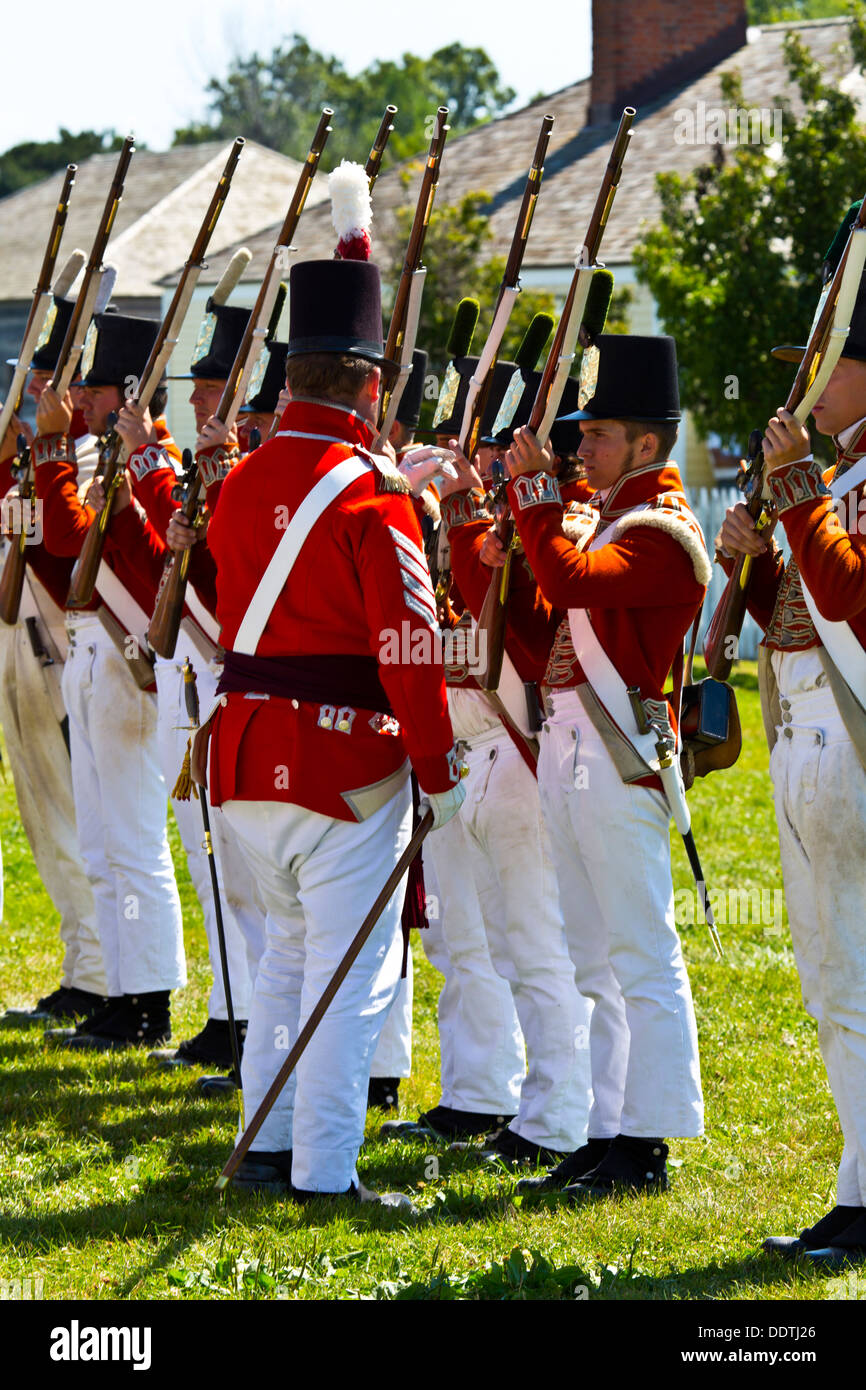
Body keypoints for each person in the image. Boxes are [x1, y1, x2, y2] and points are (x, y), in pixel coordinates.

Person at [204, 256, 464, 1203]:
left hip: (243, 758)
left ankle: (265, 1144)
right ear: (372, 382)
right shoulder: (374, 493)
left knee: (283, 961)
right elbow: (407, 645)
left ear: (289, 374)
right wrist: (438, 771)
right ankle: (322, 1172)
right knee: (351, 979)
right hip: (343, 767)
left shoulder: (239, 482)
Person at [445, 334, 709, 1197]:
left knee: (639, 952)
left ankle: (650, 1139)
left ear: (646, 443)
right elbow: (531, 636)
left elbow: (573, 582)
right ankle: (605, 1127)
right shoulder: (605, 516)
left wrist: (529, 503)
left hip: (617, 752)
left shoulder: (662, 531)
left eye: (599, 435)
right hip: (567, 743)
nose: (581, 447)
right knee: (592, 955)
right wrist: (498, 550)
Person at [719, 204, 866, 1267]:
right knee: (829, 983)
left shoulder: (840, 484)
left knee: (853, 980)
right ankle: (856, 1180)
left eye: (827, 364)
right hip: (804, 741)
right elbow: (796, 612)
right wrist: (755, 558)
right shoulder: (830, 482)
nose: (808, 382)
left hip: (848, 750)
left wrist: (798, 498)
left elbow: (854, 601)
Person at [33, 309, 186, 1050]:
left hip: (123, 660)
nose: (79, 403)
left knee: (131, 839)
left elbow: (64, 536)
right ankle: (121, 991)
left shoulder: (143, 459)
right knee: (99, 841)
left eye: (91, 391)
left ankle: (149, 1000)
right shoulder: (105, 459)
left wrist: (55, 444)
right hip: (90, 650)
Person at [0, 298, 106, 1024]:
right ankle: (85, 967)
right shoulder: (32, 460)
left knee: (81, 830)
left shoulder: (86, 459)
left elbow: (57, 540)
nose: (36, 394)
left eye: (46, 380)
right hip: (23, 664)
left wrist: (39, 452)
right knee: (49, 830)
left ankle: (104, 975)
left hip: (60, 665)